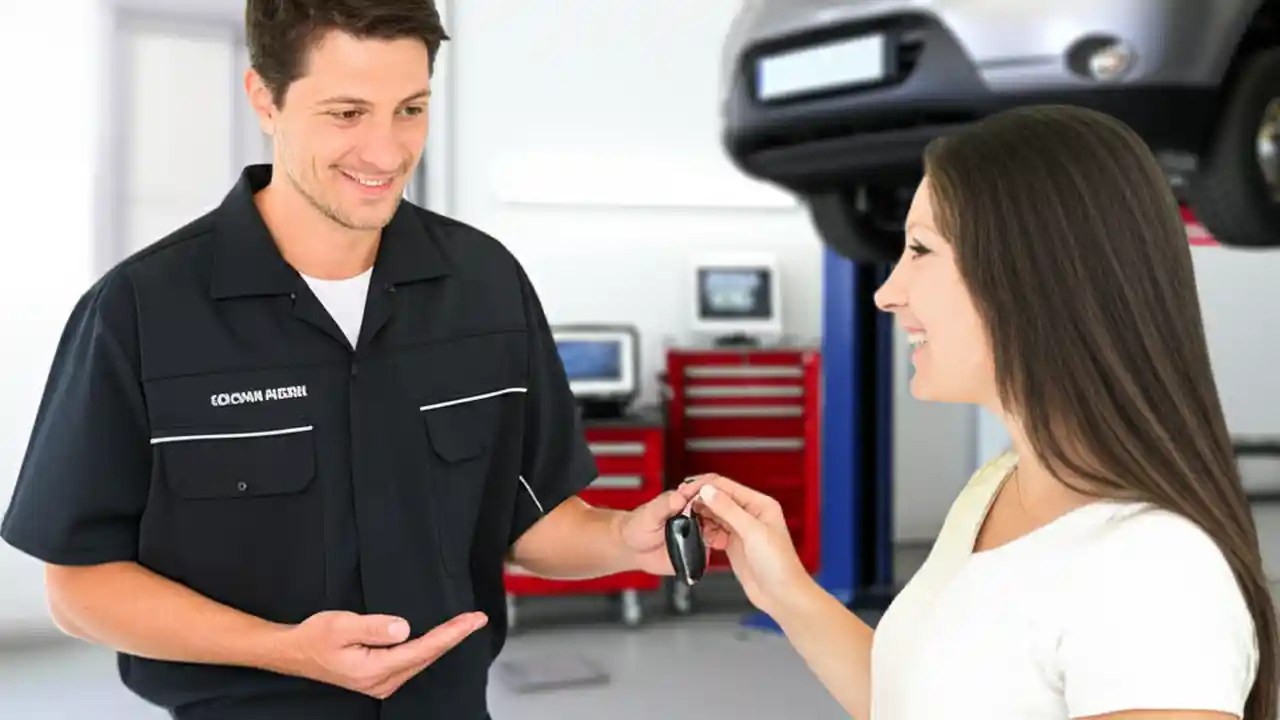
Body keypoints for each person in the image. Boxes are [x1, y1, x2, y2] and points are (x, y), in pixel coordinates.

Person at [0, 1, 703, 718]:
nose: (387, 152)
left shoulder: (487, 287)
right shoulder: (139, 312)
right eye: (346, 113)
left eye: (411, 109)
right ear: (265, 100)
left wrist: (622, 537)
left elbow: (529, 520)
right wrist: (281, 649)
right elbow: (80, 590)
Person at [683, 104, 1278, 720]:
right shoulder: (993, 490)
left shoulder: (1155, 575)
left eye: (920, 250)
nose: (887, 293)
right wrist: (787, 593)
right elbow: (917, 701)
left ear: (1038, 274)